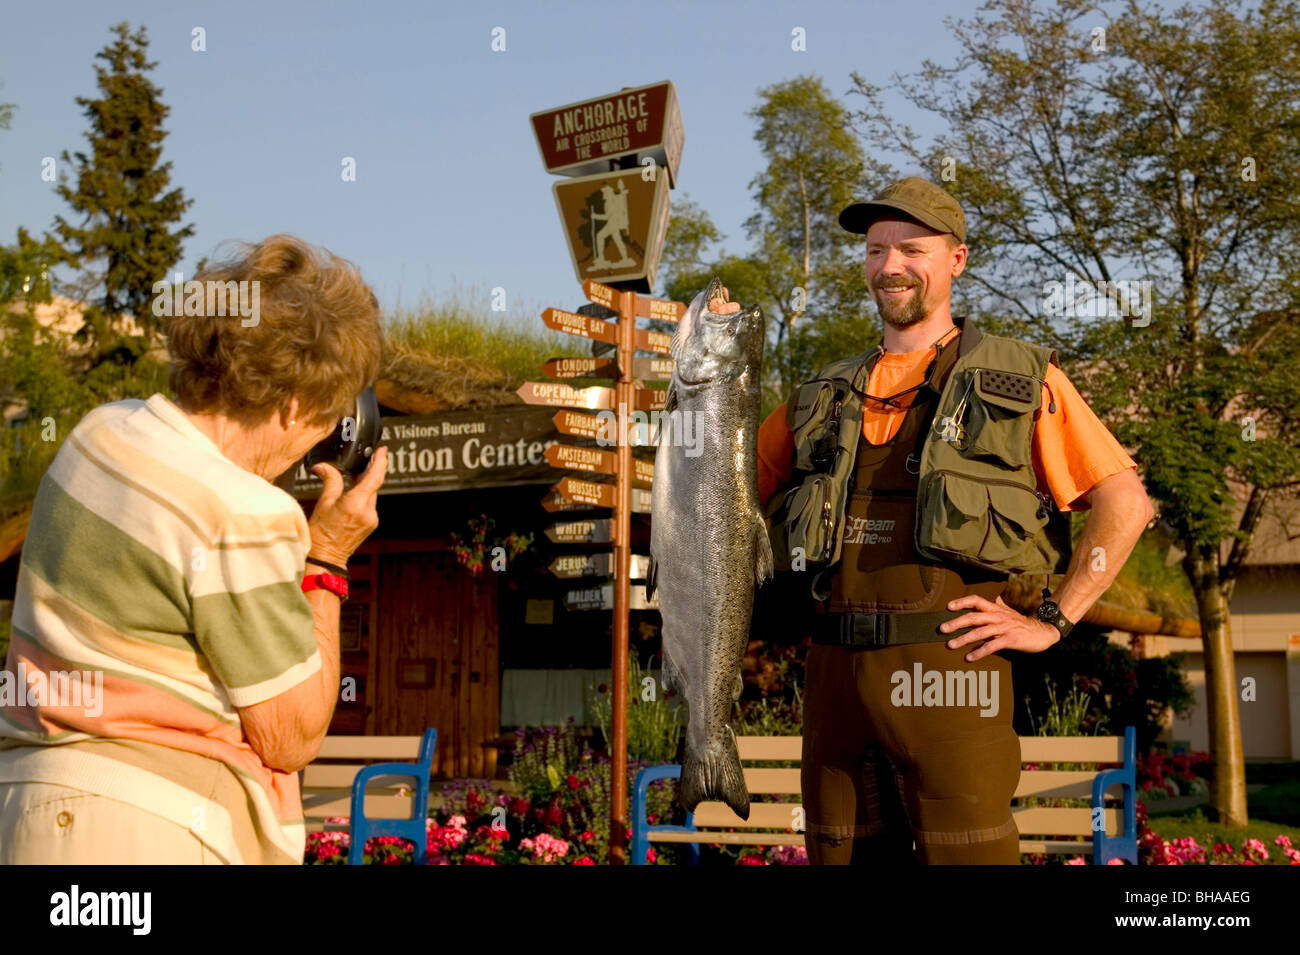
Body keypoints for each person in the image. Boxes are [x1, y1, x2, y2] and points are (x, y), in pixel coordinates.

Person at [714, 177, 1154, 864]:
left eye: (911, 248)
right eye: (875, 249)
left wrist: (1055, 620)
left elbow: (1124, 503)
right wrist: (711, 377)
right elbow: (721, 495)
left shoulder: (1019, 377)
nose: (889, 265)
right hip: (833, 684)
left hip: (954, 676)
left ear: (957, 258)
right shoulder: (818, 395)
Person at [0, 234, 388, 864]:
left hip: (29, 811)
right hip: (152, 829)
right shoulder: (245, 512)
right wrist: (327, 560)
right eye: (327, 418)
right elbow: (290, 736)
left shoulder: (100, 434)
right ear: (293, 406)